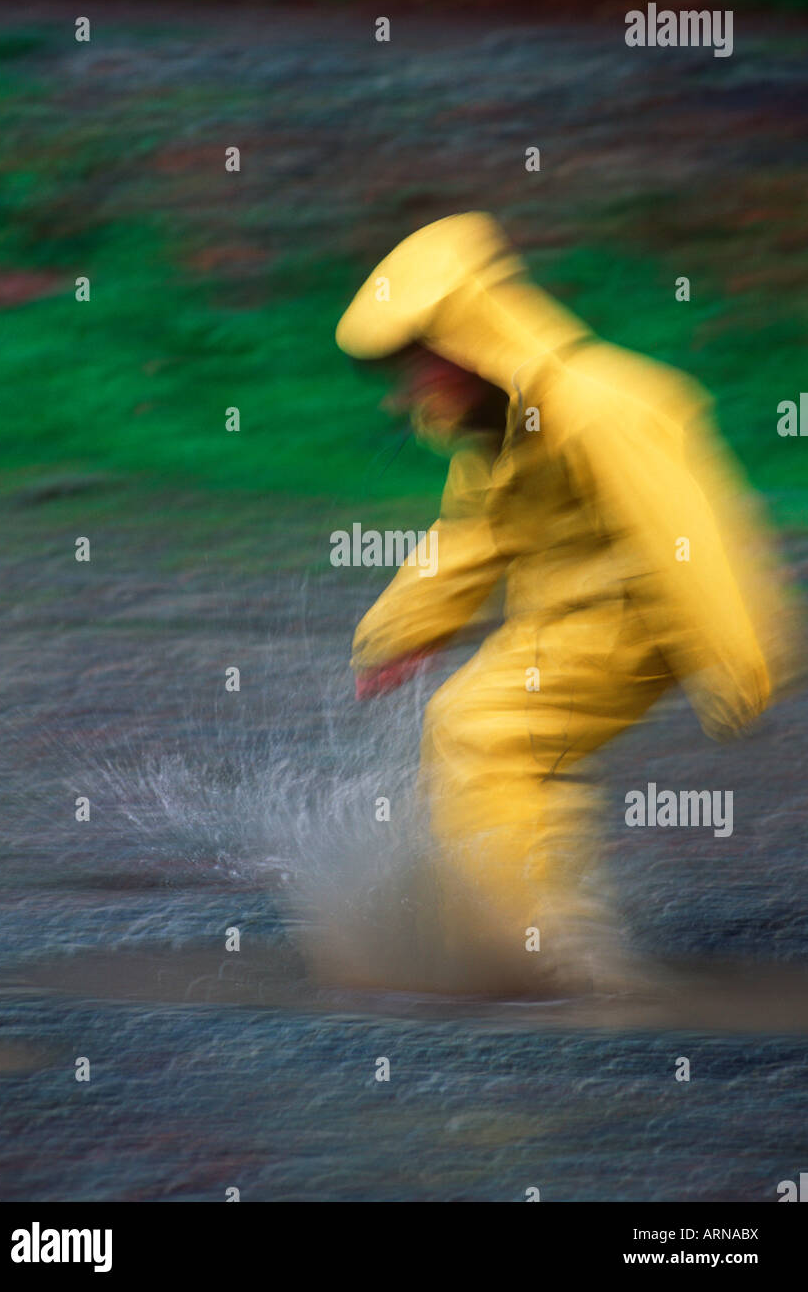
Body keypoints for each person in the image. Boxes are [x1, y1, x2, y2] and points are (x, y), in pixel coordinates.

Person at [335, 212, 790, 996]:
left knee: (481, 729)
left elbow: (681, 526)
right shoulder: (493, 429)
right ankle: (508, 932)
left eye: (422, 361)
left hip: (639, 615)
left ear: (470, 332)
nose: (413, 387)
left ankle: (539, 951)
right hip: (562, 621)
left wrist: (737, 655)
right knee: (469, 739)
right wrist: (400, 629)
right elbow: (472, 533)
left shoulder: (596, 403)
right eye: (407, 369)